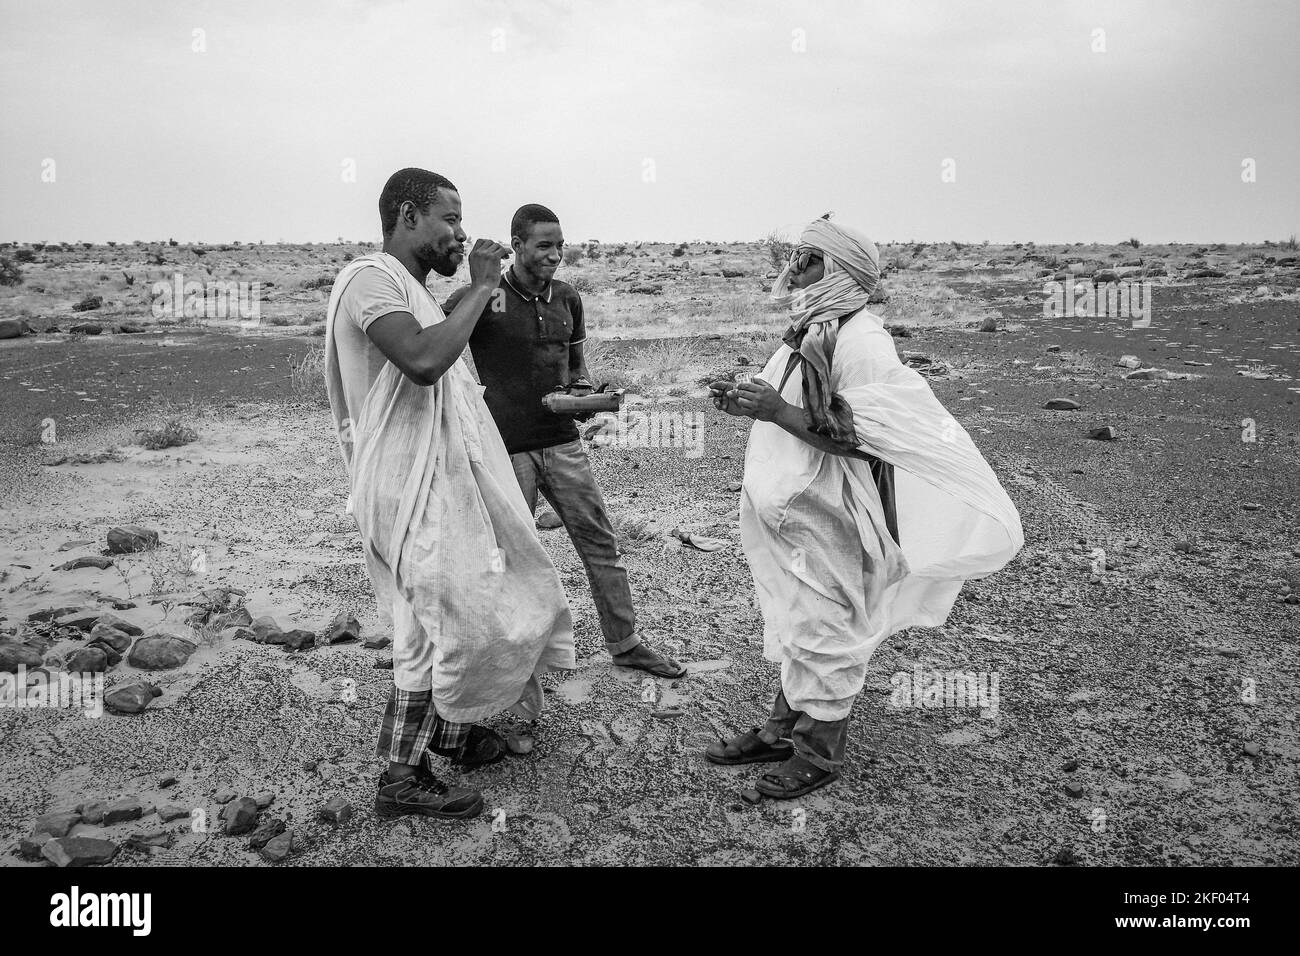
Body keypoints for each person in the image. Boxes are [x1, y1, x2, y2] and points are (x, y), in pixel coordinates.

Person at [706, 215, 1023, 798]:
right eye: (797, 253)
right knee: (799, 616)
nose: (793, 265)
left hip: (835, 507)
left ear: (839, 269)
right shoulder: (814, 325)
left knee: (829, 619)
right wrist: (748, 401)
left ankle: (819, 750)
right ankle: (783, 727)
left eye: (808, 256)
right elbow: (792, 400)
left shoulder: (862, 341)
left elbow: (861, 432)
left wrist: (775, 411)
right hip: (796, 506)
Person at [324, 169, 576, 821]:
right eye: (451, 219)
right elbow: (423, 361)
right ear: (409, 216)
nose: (462, 233)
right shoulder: (369, 279)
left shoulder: (422, 294)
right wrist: (485, 285)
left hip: (439, 484)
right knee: (431, 627)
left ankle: (451, 737)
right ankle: (401, 778)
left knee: (481, 606)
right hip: (403, 489)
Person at [444, 204, 685, 679]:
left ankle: (626, 643)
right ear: (518, 245)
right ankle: (516, 664)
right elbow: (439, 350)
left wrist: (585, 396)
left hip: (563, 442)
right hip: (506, 448)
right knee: (511, 558)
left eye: (560, 244)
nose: (556, 254)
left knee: (601, 543)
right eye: (544, 245)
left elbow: (576, 369)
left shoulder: (567, 299)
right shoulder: (484, 297)